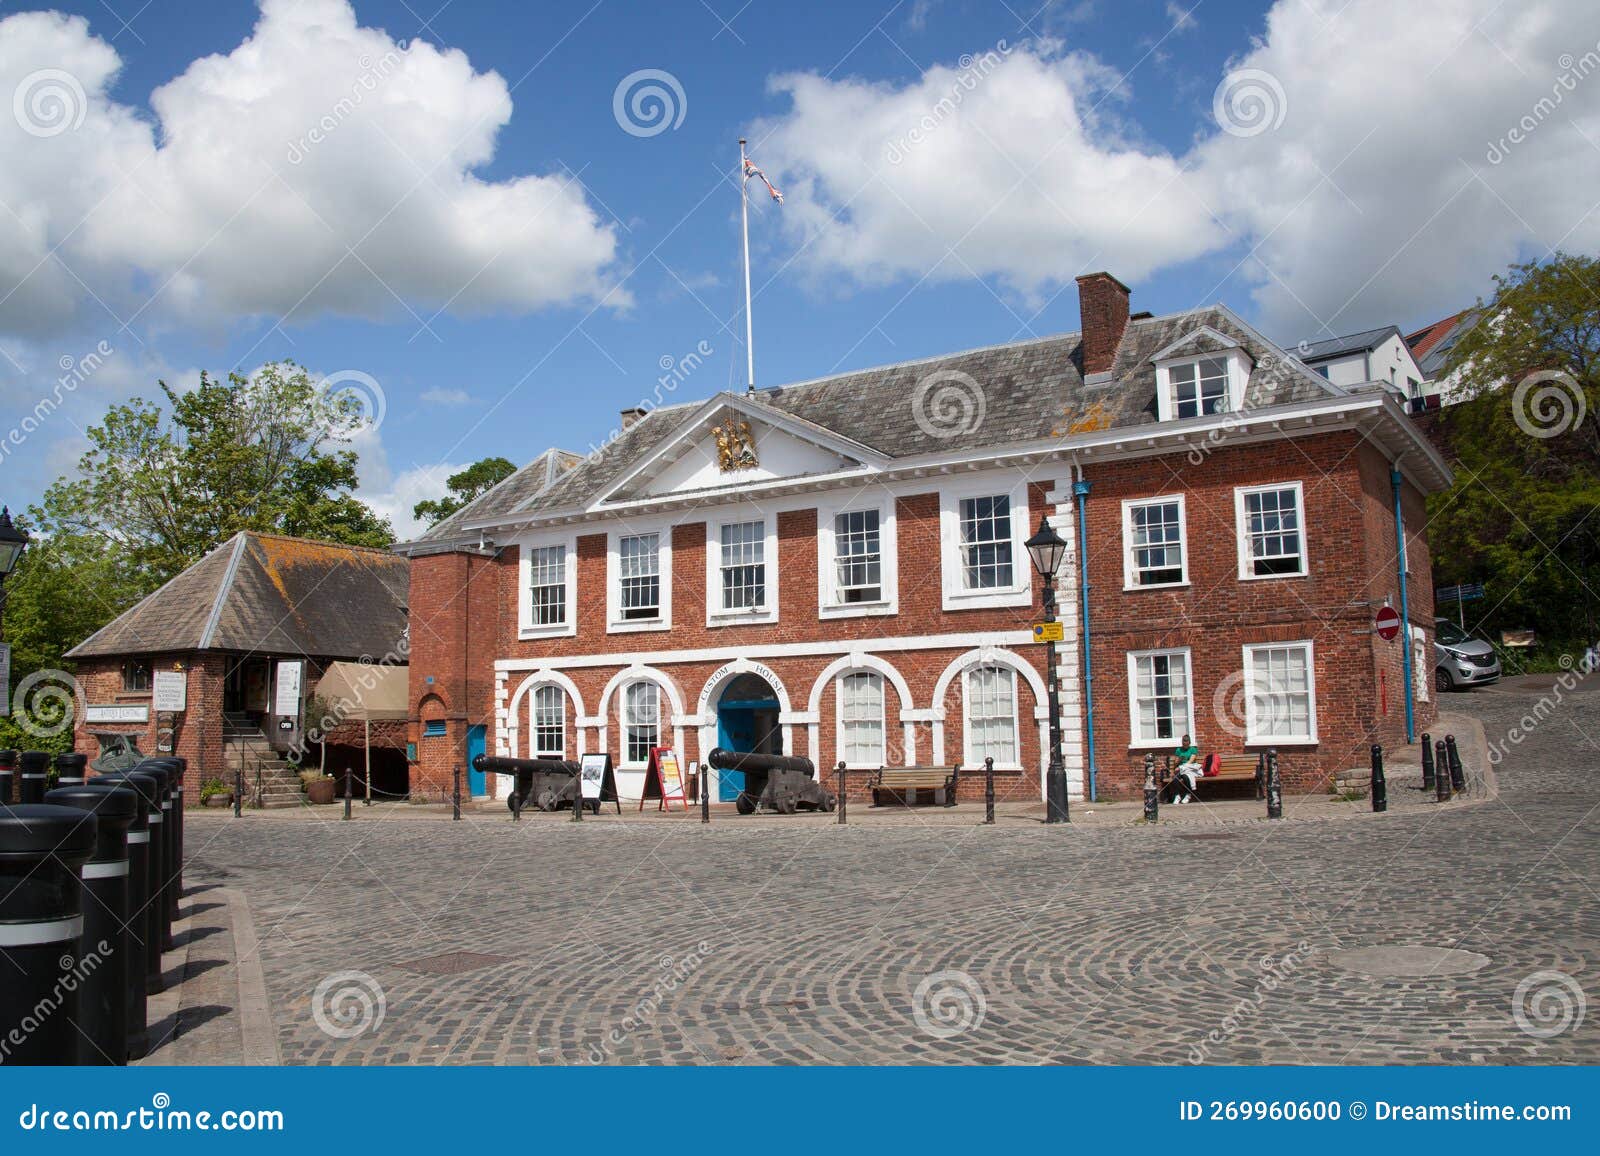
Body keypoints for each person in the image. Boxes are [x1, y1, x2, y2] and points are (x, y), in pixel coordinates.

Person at [1167, 734, 1202, 804]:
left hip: (1189, 768)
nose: (1185, 744)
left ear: (1189, 742)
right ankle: (1177, 795)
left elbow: (1191, 761)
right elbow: (1175, 763)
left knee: (1186, 777)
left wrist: (1181, 767)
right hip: (1180, 769)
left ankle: (1188, 794)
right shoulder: (1179, 750)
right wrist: (1179, 760)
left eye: (1186, 742)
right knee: (1175, 778)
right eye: (1183, 742)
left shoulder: (1193, 749)